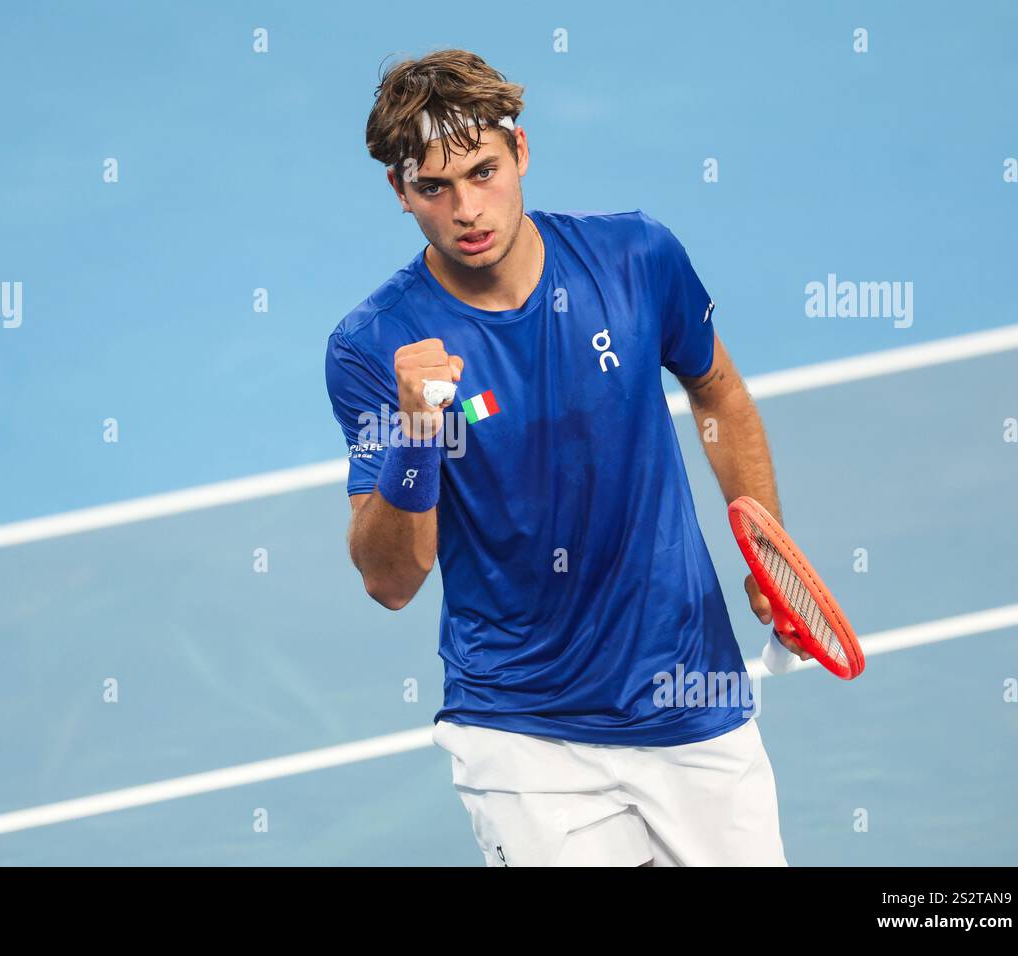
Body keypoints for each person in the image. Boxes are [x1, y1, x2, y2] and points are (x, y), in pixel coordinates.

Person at [324, 49, 807, 866]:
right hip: (523, 734)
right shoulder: (375, 346)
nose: (467, 209)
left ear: (520, 150)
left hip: (692, 695)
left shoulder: (635, 260)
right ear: (400, 193)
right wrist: (414, 437)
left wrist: (764, 544)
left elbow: (716, 389)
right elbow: (390, 581)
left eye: (482, 170)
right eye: (434, 188)